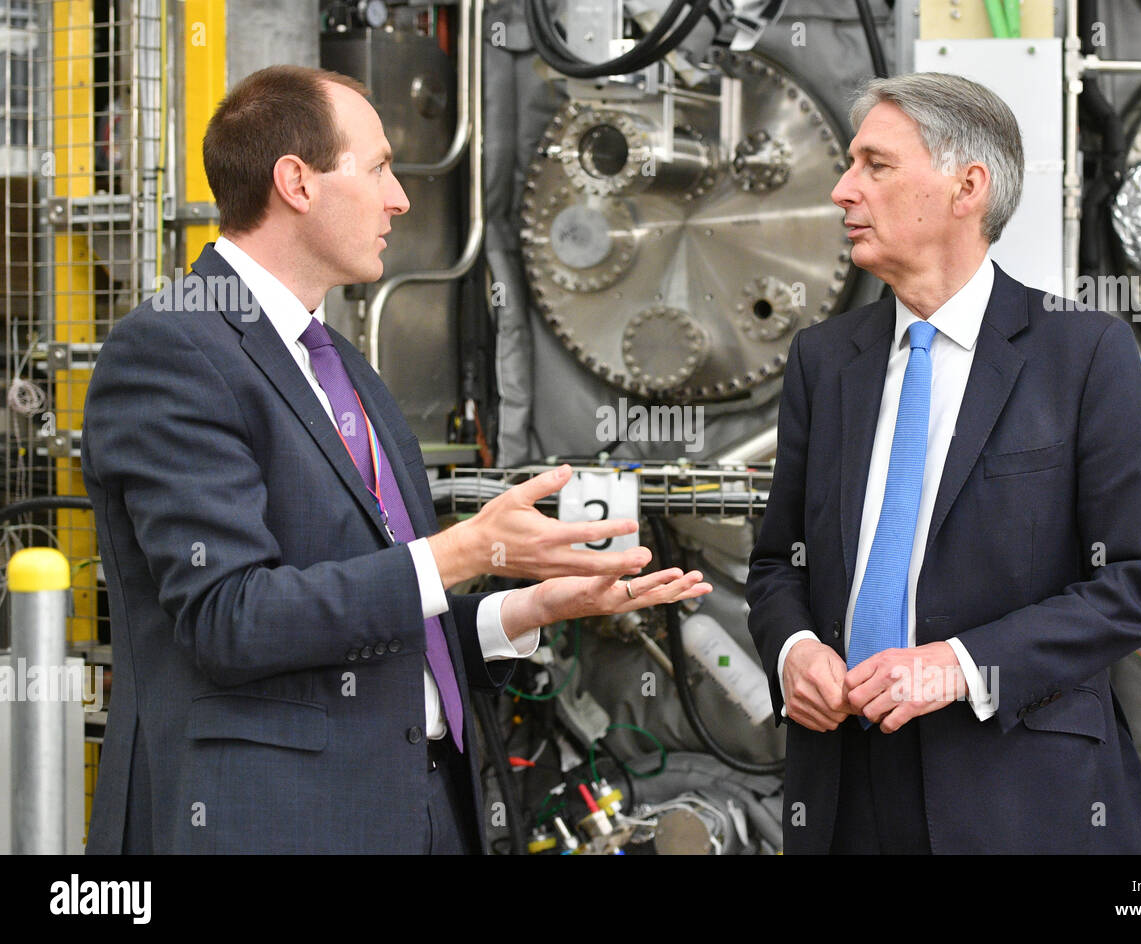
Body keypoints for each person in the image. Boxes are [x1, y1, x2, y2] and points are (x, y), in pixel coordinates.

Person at [81, 65, 710, 854]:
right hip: (275, 825)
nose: (400, 198)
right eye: (377, 167)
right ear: (296, 182)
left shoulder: (340, 366)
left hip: (421, 812)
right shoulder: (174, 349)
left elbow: (373, 621)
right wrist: (465, 550)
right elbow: (229, 619)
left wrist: (528, 610)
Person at [746, 73, 1141, 854]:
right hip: (843, 791)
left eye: (875, 166)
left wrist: (963, 665)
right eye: (850, 165)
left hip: (1019, 792)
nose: (843, 190)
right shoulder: (823, 359)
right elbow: (780, 561)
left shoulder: (1081, 354)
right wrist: (794, 651)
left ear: (966, 187)